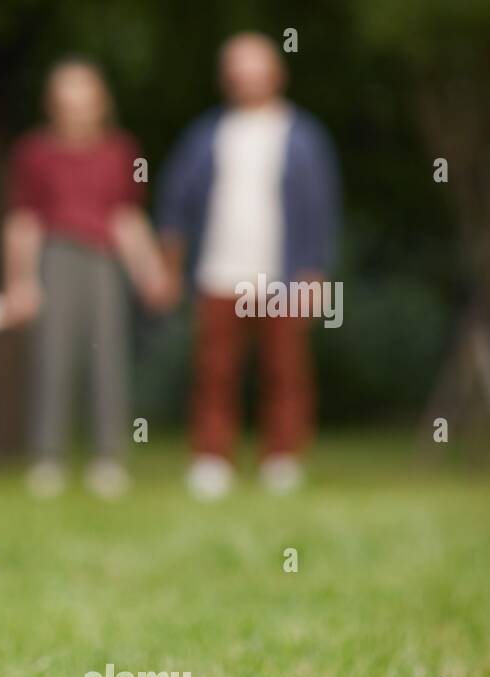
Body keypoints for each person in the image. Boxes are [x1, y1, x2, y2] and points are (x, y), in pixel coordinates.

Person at [158, 31, 340, 499]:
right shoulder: (205, 136)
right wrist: (171, 266)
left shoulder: (305, 137)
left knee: (286, 369)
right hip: (219, 272)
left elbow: (322, 210)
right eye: (238, 70)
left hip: (285, 273)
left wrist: (315, 273)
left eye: (257, 69)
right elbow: (175, 205)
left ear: (278, 74)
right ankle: (212, 460)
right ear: (227, 79)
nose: (248, 78)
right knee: (215, 371)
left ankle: (282, 459)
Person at [3, 57, 171, 500]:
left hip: (104, 260)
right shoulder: (34, 151)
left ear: (100, 104)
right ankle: (47, 459)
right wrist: (20, 281)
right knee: (51, 359)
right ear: (53, 105)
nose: (75, 109)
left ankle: (109, 460)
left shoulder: (121, 150)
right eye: (66, 101)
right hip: (54, 255)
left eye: (84, 101)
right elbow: (24, 220)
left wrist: (150, 271)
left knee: (108, 358)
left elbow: (127, 216)